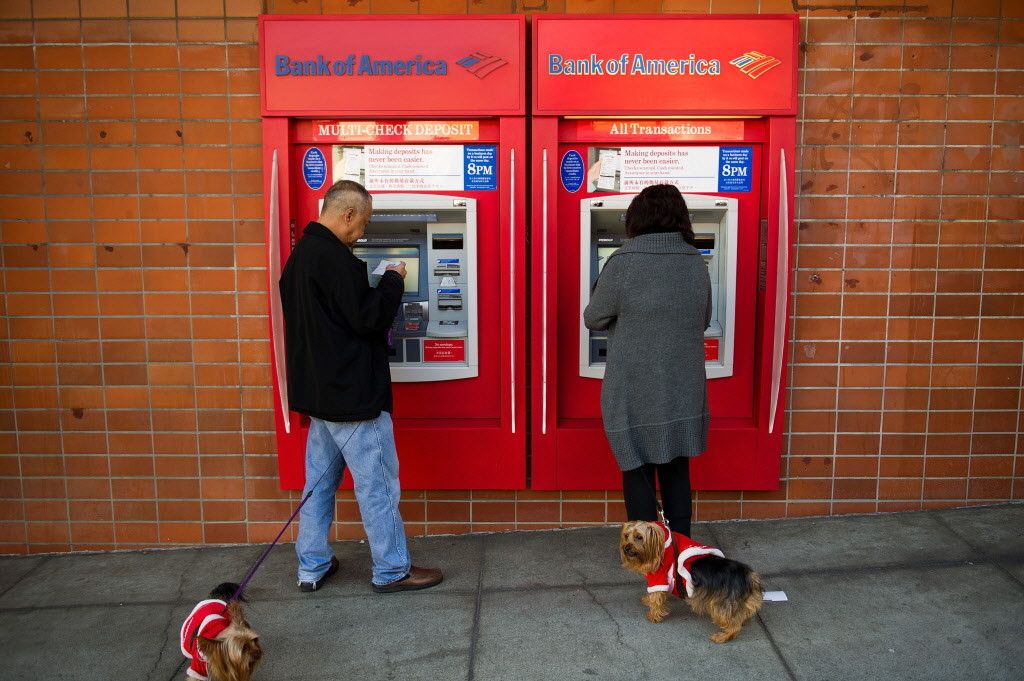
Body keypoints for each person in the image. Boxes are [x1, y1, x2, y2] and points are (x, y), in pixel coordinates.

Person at [279, 179, 443, 593]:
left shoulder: (298, 260)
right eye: (363, 223)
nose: (363, 233)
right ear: (347, 213)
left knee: (318, 485)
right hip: (353, 399)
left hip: (319, 397)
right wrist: (392, 278)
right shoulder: (335, 260)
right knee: (378, 486)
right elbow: (368, 319)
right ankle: (392, 570)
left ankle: (311, 566)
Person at [583, 184, 712, 537]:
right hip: (683, 388)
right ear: (681, 218)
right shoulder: (695, 262)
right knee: (676, 470)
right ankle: (683, 555)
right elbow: (701, 320)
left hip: (634, 389)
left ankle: (652, 567)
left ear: (637, 218)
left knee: (637, 471)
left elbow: (593, 317)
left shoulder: (623, 262)